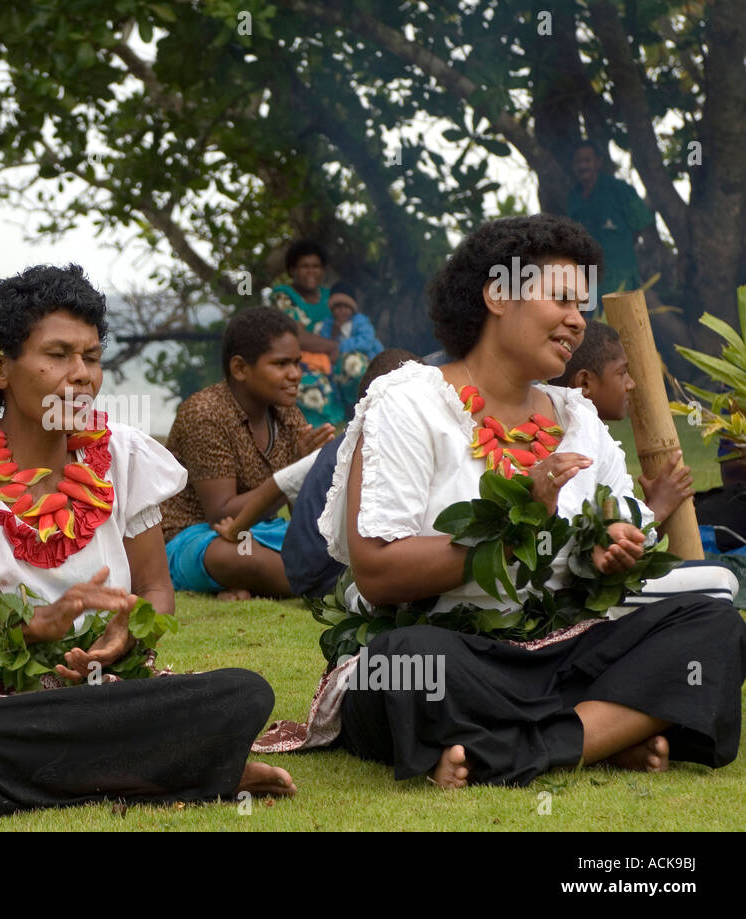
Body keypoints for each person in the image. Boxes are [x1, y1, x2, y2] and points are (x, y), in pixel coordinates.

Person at [254, 215, 746, 789]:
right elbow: (380, 572)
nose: (575, 320)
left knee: (712, 621)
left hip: (562, 651)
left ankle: (537, 746)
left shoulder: (578, 418)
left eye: (581, 306)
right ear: (496, 294)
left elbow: (614, 531)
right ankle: (604, 733)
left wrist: (611, 549)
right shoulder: (410, 402)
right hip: (454, 656)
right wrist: (522, 520)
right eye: (560, 299)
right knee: (406, 661)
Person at [0, 265, 294, 815]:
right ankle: (182, 768)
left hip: (108, 689)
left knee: (244, 691)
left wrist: (123, 639)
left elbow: (155, 591)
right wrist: (35, 626)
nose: (81, 375)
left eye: (92, 357)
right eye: (57, 355)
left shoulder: (125, 457)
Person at [213, 349, 419, 600]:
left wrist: (236, 529)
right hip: (331, 576)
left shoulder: (343, 444)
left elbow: (280, 483)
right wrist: (235, 530)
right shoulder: (359, 446)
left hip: (304, 575)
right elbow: (276, 485)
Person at [161, 307, 332, 600]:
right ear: (239, 368)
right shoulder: (206, 414)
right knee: (239, 557)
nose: (294, 375)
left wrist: (303, 475)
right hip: (195, 536)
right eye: (280, 364)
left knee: (327, 542)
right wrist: (293, 472)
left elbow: (301, 515)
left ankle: (260, 583)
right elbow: (221, 514)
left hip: (260, 530)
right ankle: (317, 584)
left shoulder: (286, 412)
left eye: (297, 363)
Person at [549, 320, 694, 534]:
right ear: (585, 383)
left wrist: (642, 507)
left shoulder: (589, 436)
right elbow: (583, 536)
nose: (631, 383)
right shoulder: (578, 446)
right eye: (622, 372)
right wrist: (657, 508)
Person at [568, 139, 656, 298]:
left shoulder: (620, 190)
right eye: (578, 161)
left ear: (598, 162)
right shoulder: (573, 198)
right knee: (591, 322)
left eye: (587, 160)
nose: (582, 166)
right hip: (587, 280)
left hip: (619, 277)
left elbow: (642, 223)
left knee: (620, 322)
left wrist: (620, 246)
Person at [269, 239, 344, 426]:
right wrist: (335, 346)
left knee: (358, 366)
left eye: (316, 266)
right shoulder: (283, 295)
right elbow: (297, 337)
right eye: (304, 266)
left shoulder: (331, 296)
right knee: (314, 388)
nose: (311, 271)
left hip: (334, 360)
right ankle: (323, 443)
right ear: (292, 270)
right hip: (298, 364)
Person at [315, 283, 385, 413]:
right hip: (340, 370)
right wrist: (334, 333)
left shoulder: (360, 321)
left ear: (352, 308)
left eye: (345, 306)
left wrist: (340, 347)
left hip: (367, 361)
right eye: (337, 307)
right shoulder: (329, 323)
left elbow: (366, 343)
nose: (341, 311)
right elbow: (325, 343)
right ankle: (348, 409)